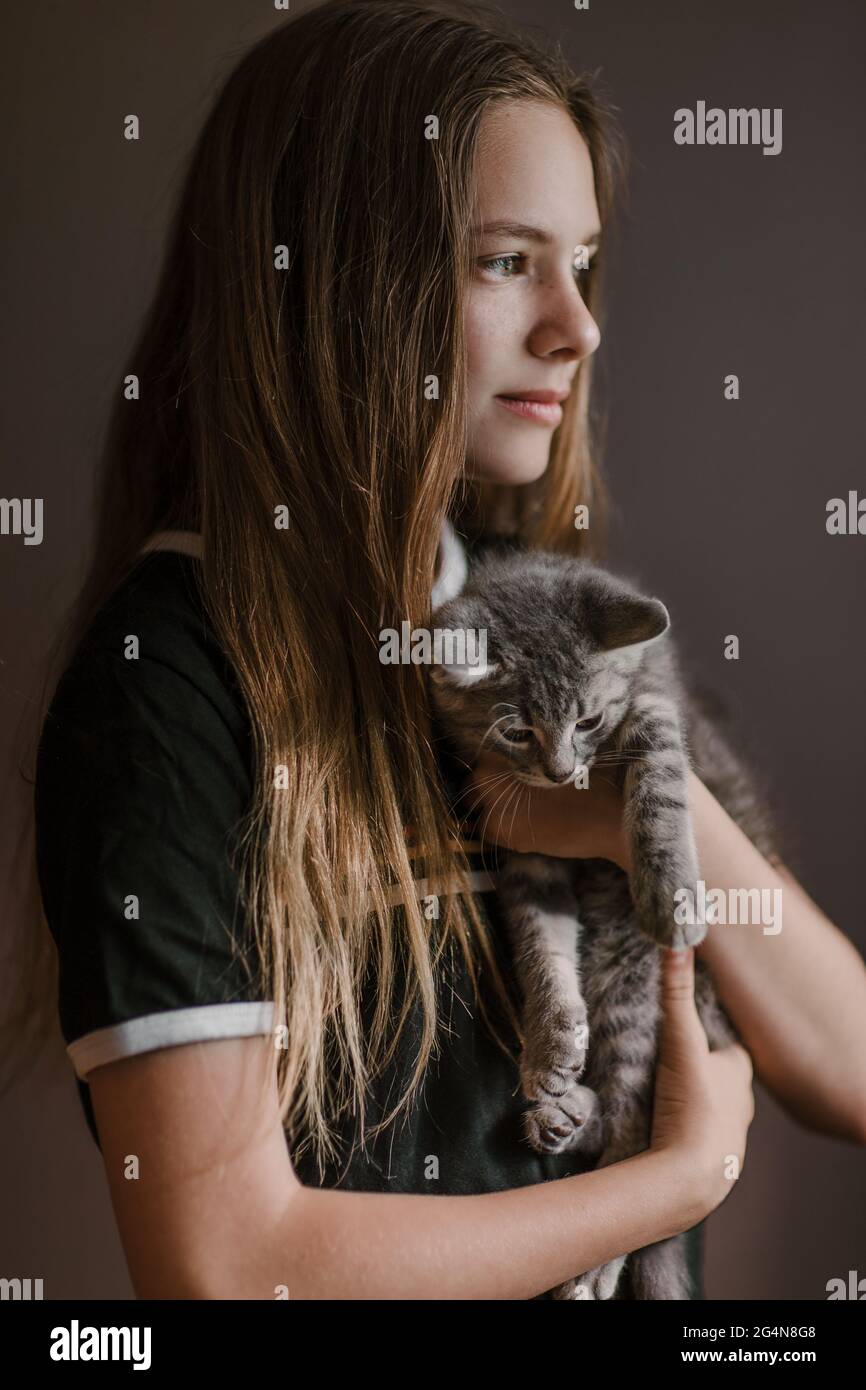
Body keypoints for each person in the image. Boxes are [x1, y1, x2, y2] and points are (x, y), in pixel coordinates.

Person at [31, 0, 866, 1300]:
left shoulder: (538, 626)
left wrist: (629, 812)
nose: (576, 327)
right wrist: (670, 1182)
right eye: (503, 262)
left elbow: (853, 1065)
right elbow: (226, 1266)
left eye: (580, 262)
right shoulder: (172, 679)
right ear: (335, 282)